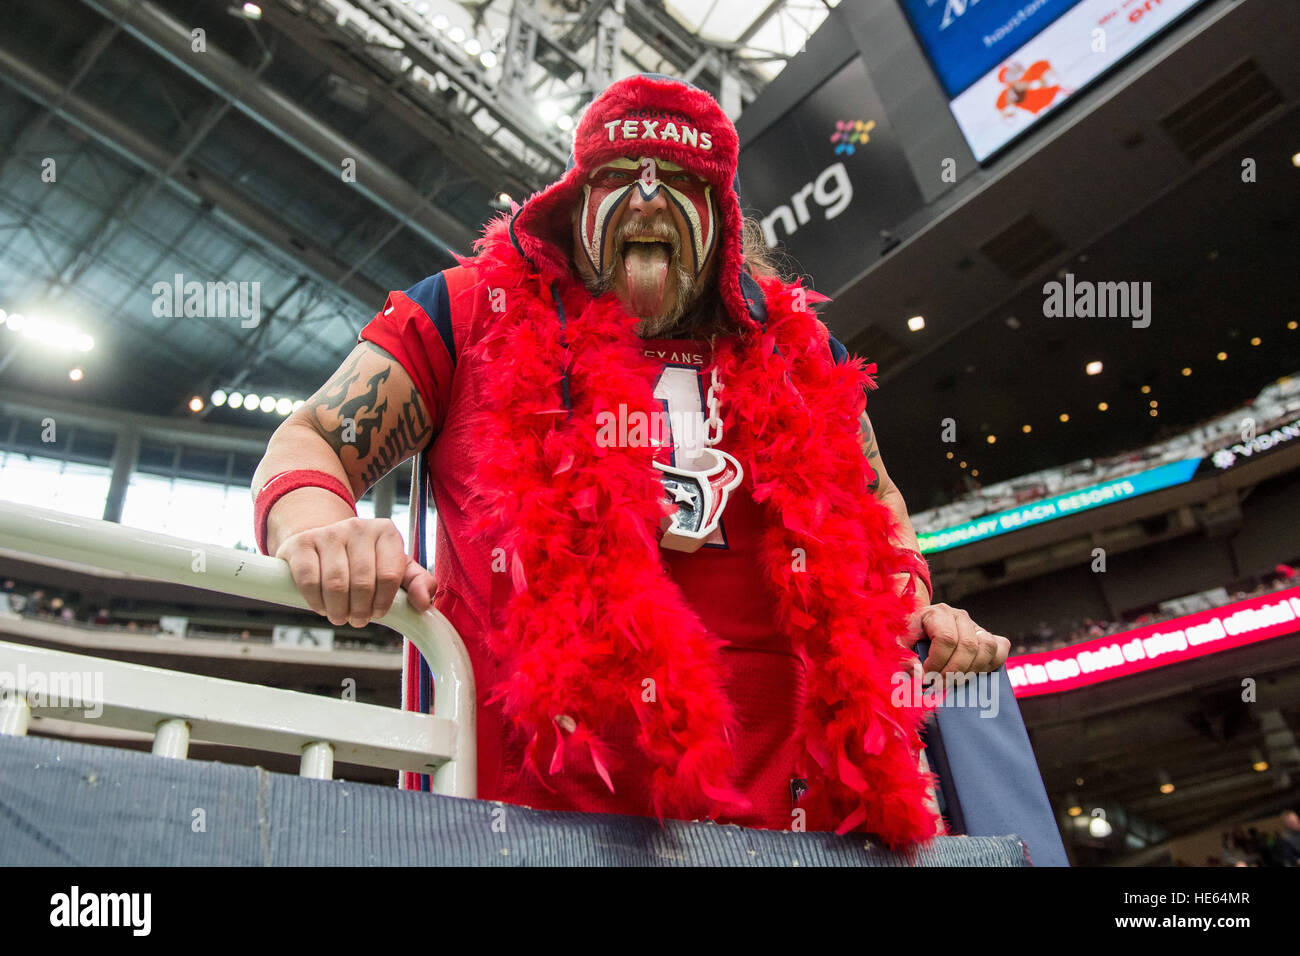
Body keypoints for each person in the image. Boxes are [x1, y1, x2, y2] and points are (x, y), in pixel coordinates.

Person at [250, 75, 1011, 846]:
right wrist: (323, 527)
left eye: (680, 183)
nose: (648, 202)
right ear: (575, 205)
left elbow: (876, 509)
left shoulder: (804, 359)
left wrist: (916, 601)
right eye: (618, 179)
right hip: (522, 830)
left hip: (785, 837)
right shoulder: (470, 313)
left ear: (724, 219)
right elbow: (312, 437)